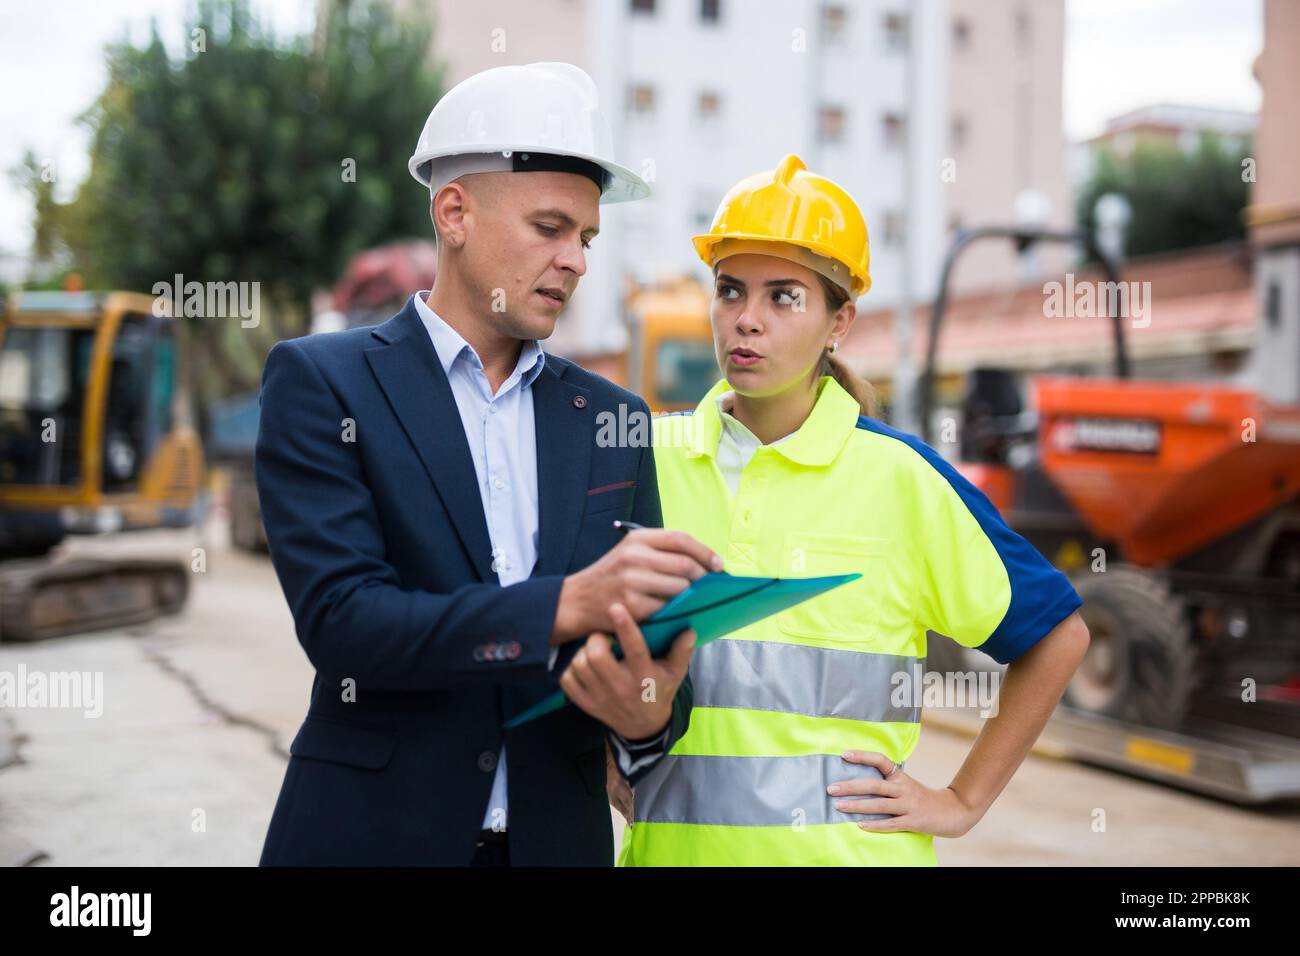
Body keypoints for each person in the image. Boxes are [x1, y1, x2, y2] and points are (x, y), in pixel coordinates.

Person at [255, 62, 718, 866]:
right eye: (550, 228)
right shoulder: (324, 382)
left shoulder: (614, 421)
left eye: (588, 238)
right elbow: (345, 623)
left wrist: (648, 718)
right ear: (454, 212)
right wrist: (564, 606)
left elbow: (643, 657)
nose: (576, 261)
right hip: (369, 839)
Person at [614, 154, 1091, 866]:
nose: (746, 320)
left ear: (839, 321)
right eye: (729, 290)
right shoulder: (645, 459)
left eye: (783, 297)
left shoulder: (902, 479)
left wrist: (962, 801)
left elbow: (1056, 636)